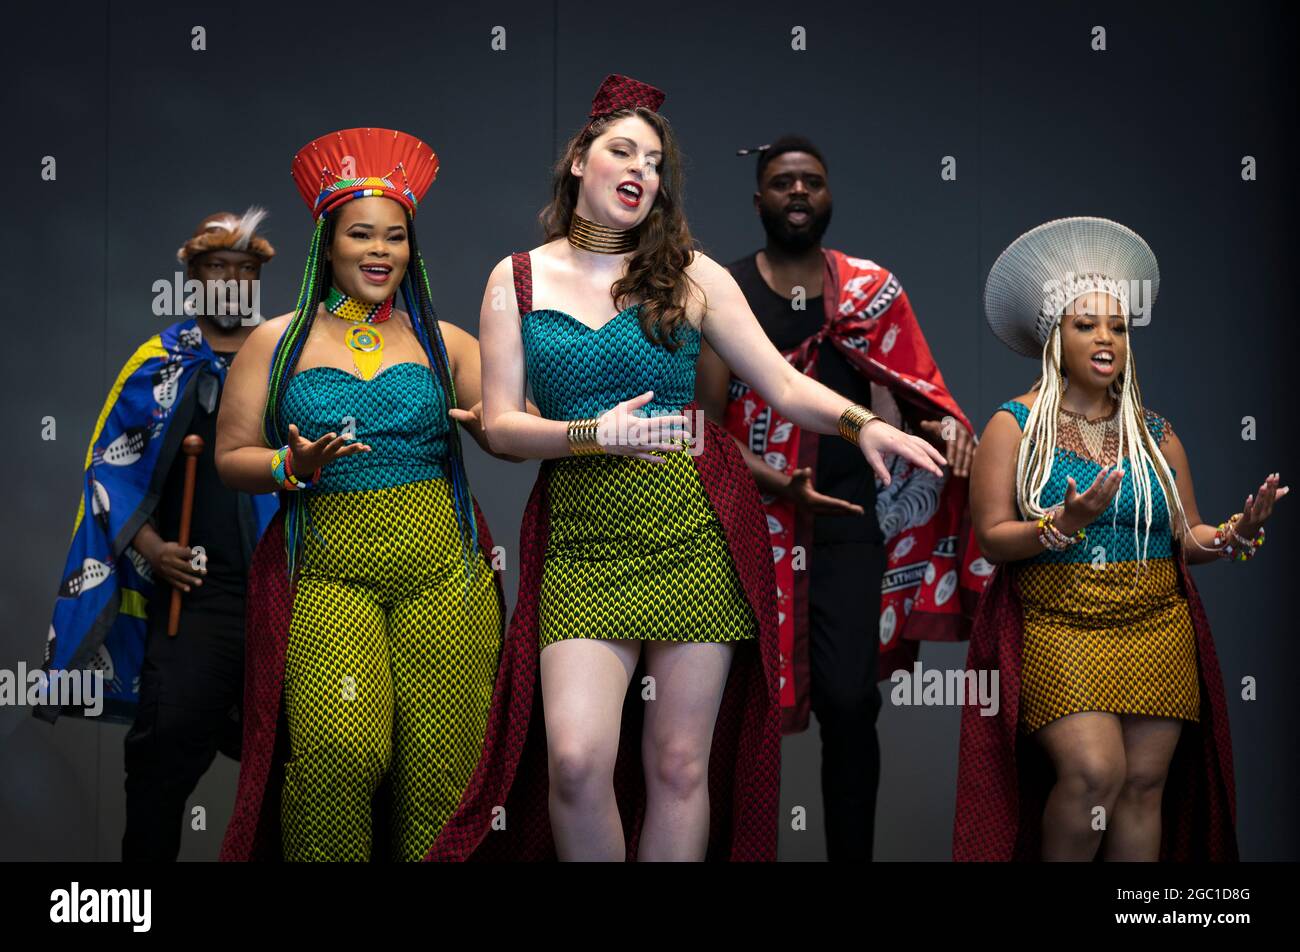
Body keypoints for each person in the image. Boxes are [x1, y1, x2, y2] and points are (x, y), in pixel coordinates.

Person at [428, 74, 947, 862]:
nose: (642, 170)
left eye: (655, 162)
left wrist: (863, 423)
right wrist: (591, 435)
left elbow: (782, 385)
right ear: (579, 161)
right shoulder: (517, 278)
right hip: (583, 543)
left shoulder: (694, 274)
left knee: (678, 765)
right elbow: (500, 423)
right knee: (575, 762)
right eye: (623, 151)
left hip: (693, 534)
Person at [216, 128, 512, 862]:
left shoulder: (446, 343)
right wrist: (290, 464)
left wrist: (494, 428)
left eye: (395, 237)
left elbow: (509, 433)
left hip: (444, 577)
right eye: (361, 234)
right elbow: (230, 458)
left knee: (443, 773)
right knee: (340, 756)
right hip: (329, 577)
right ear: (328, 244)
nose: (380, 250)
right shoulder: (275, 343)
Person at [954, 216, 1286, 861]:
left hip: (1156, 623)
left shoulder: (1155, 433)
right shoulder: (1014, 425)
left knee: (1142, 785)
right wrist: (1061, 524)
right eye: (1086, 325)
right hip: (1060, 623)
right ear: (1055, 339)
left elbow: (1188, 538)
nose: (1106, 338)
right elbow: (992, 539)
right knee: (1093, 775)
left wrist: (1236, 534)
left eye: (1119, 327)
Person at [697, 135, 982, 860]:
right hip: (750, 525)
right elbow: (705, 428)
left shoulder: (869, 292)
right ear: (757, 200)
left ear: (828, 197)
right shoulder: (727, 294)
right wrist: (776, 482)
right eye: (782, 182)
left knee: (851, 703)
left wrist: (948, 429)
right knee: (736, 709)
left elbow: (921, 397)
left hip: (851, 524)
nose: (798, 192)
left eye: (812, 181)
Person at [37, 209, 281, 861]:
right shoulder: (159, 363)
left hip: (284, 595)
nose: (231, 281)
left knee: (300, 763)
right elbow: (107, 467)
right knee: (162, 758)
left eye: (245, 269)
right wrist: (153, 549)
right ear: (192, 277)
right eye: (216, 267)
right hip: (193, 598)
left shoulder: (285, 359)